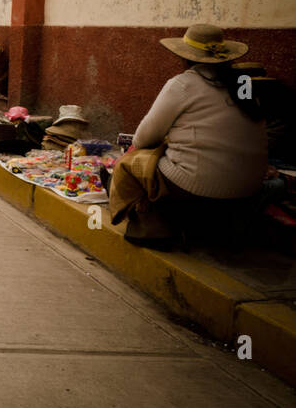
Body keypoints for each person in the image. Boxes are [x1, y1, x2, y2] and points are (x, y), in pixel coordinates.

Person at [107, 25, 269, 246]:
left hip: (195, 187)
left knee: (127, 164)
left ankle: (152, 226)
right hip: (250, 188)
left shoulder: (183, 84)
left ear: (185, 57)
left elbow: (142, 139)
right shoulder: (244, 83)